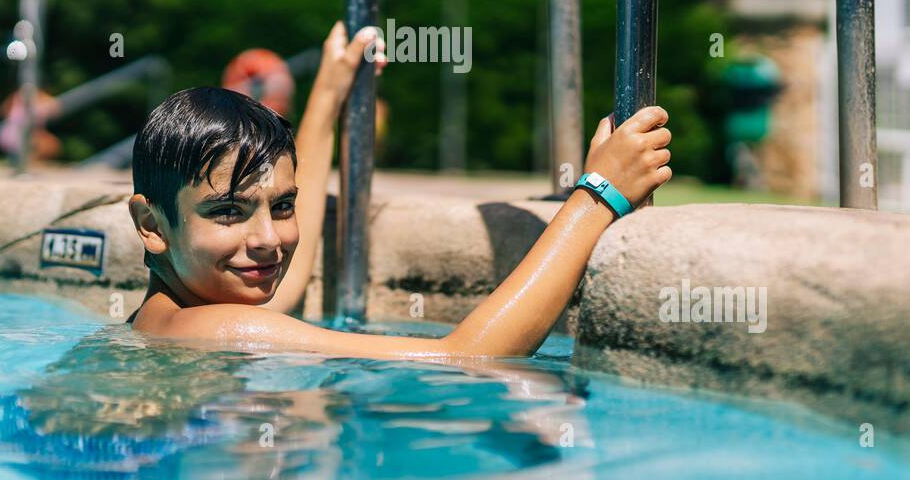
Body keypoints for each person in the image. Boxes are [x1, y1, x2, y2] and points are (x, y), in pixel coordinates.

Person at [128, 21, 671, 360]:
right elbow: (469, 359)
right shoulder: (227, 327)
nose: (269, 239)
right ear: (151, 226)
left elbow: (285, 295)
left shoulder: (171, 323)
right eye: (228, 212)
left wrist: (325, 99)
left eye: (282, 206)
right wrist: (599, 194)